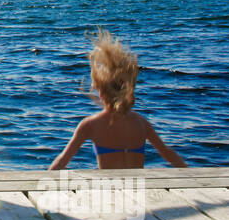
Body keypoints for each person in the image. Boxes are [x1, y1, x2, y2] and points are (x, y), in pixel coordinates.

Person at [50, 28, 186, 170]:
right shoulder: (141, 123)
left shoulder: (90, 124)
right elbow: (168, 154)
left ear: (101, 94)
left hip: (109, 185)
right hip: (137, 184)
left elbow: (62, 160)